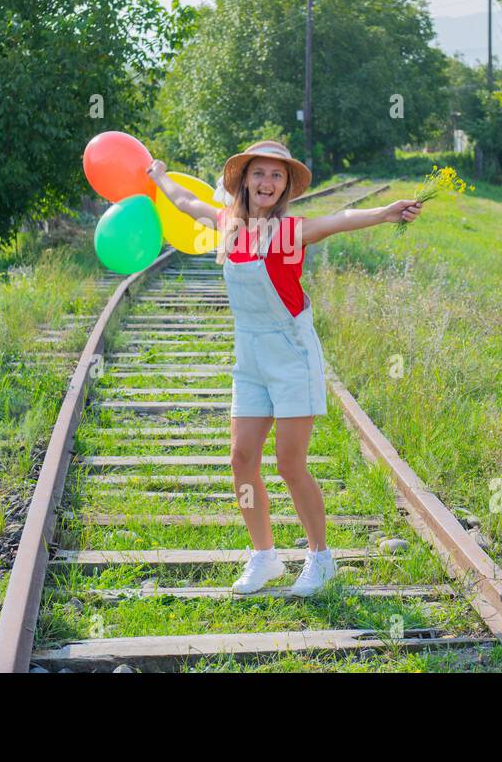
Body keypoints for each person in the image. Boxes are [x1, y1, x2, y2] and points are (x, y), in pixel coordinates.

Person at [146, 140, 422, 596]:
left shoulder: (292, 231)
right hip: (250, 360)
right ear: (244, 181)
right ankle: (264, 557)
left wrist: (385, 213)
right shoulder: (227, 225)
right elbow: (188, 202)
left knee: (290, 463)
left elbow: (340, 221)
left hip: (292, 357)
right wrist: (159, 177)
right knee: (241, 459)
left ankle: (320, 558)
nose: (268, 183)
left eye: (277, 176)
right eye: (260, 174)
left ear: (285, 186)